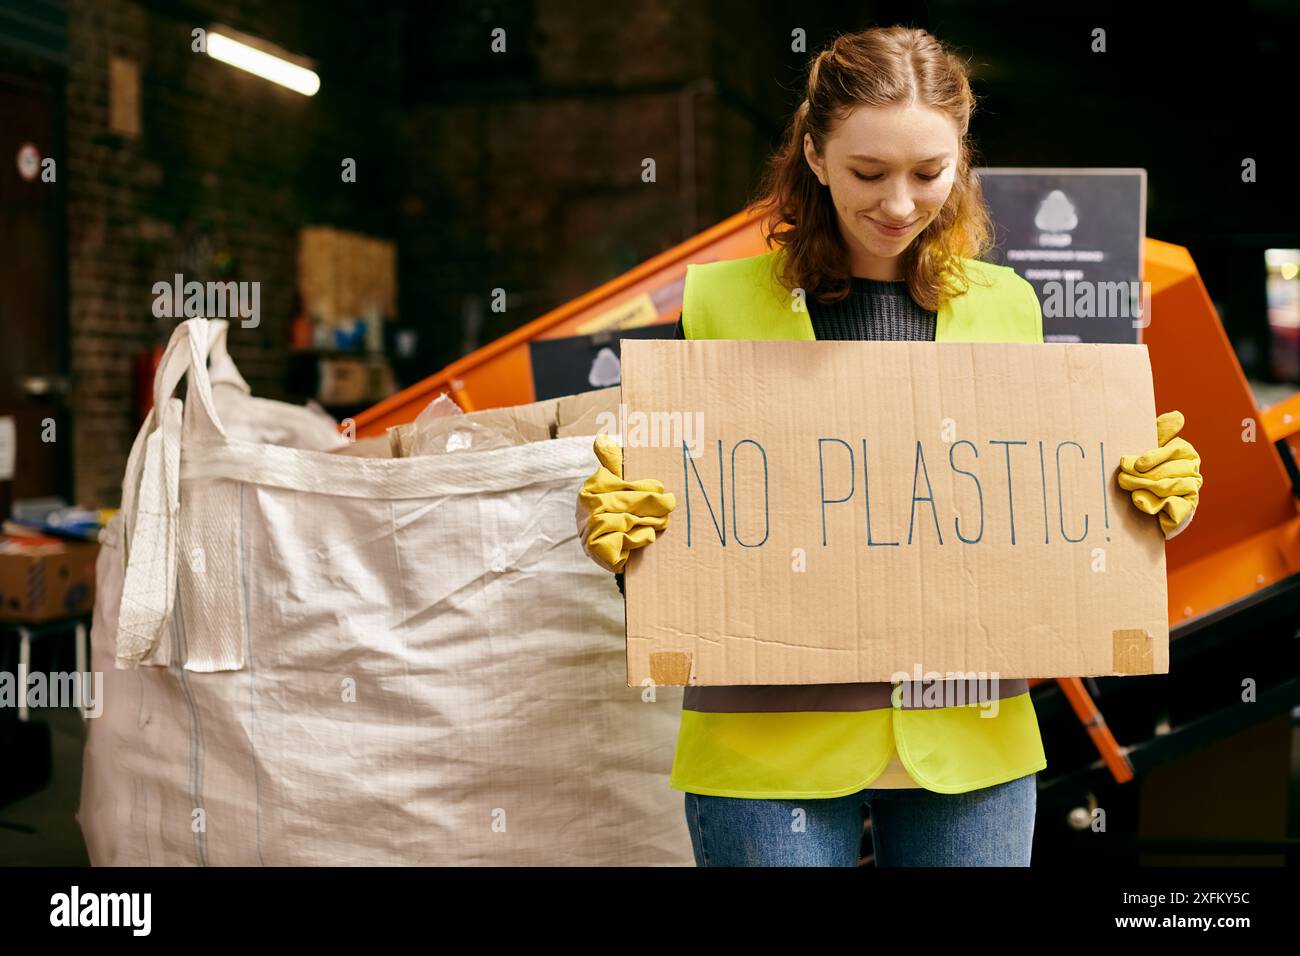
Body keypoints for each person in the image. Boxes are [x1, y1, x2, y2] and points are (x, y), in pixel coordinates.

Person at [575, 25, 1202, 867]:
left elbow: (1031, 512)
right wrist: (624, 536)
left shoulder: (1009, 308)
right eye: (868, 173)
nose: (899, 204)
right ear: (815, 153)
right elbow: (693, 523)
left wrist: (1133, 506)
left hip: (970, 733)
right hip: (768, 743)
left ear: (961, 162)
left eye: (928, 172)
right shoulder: (719, 304)